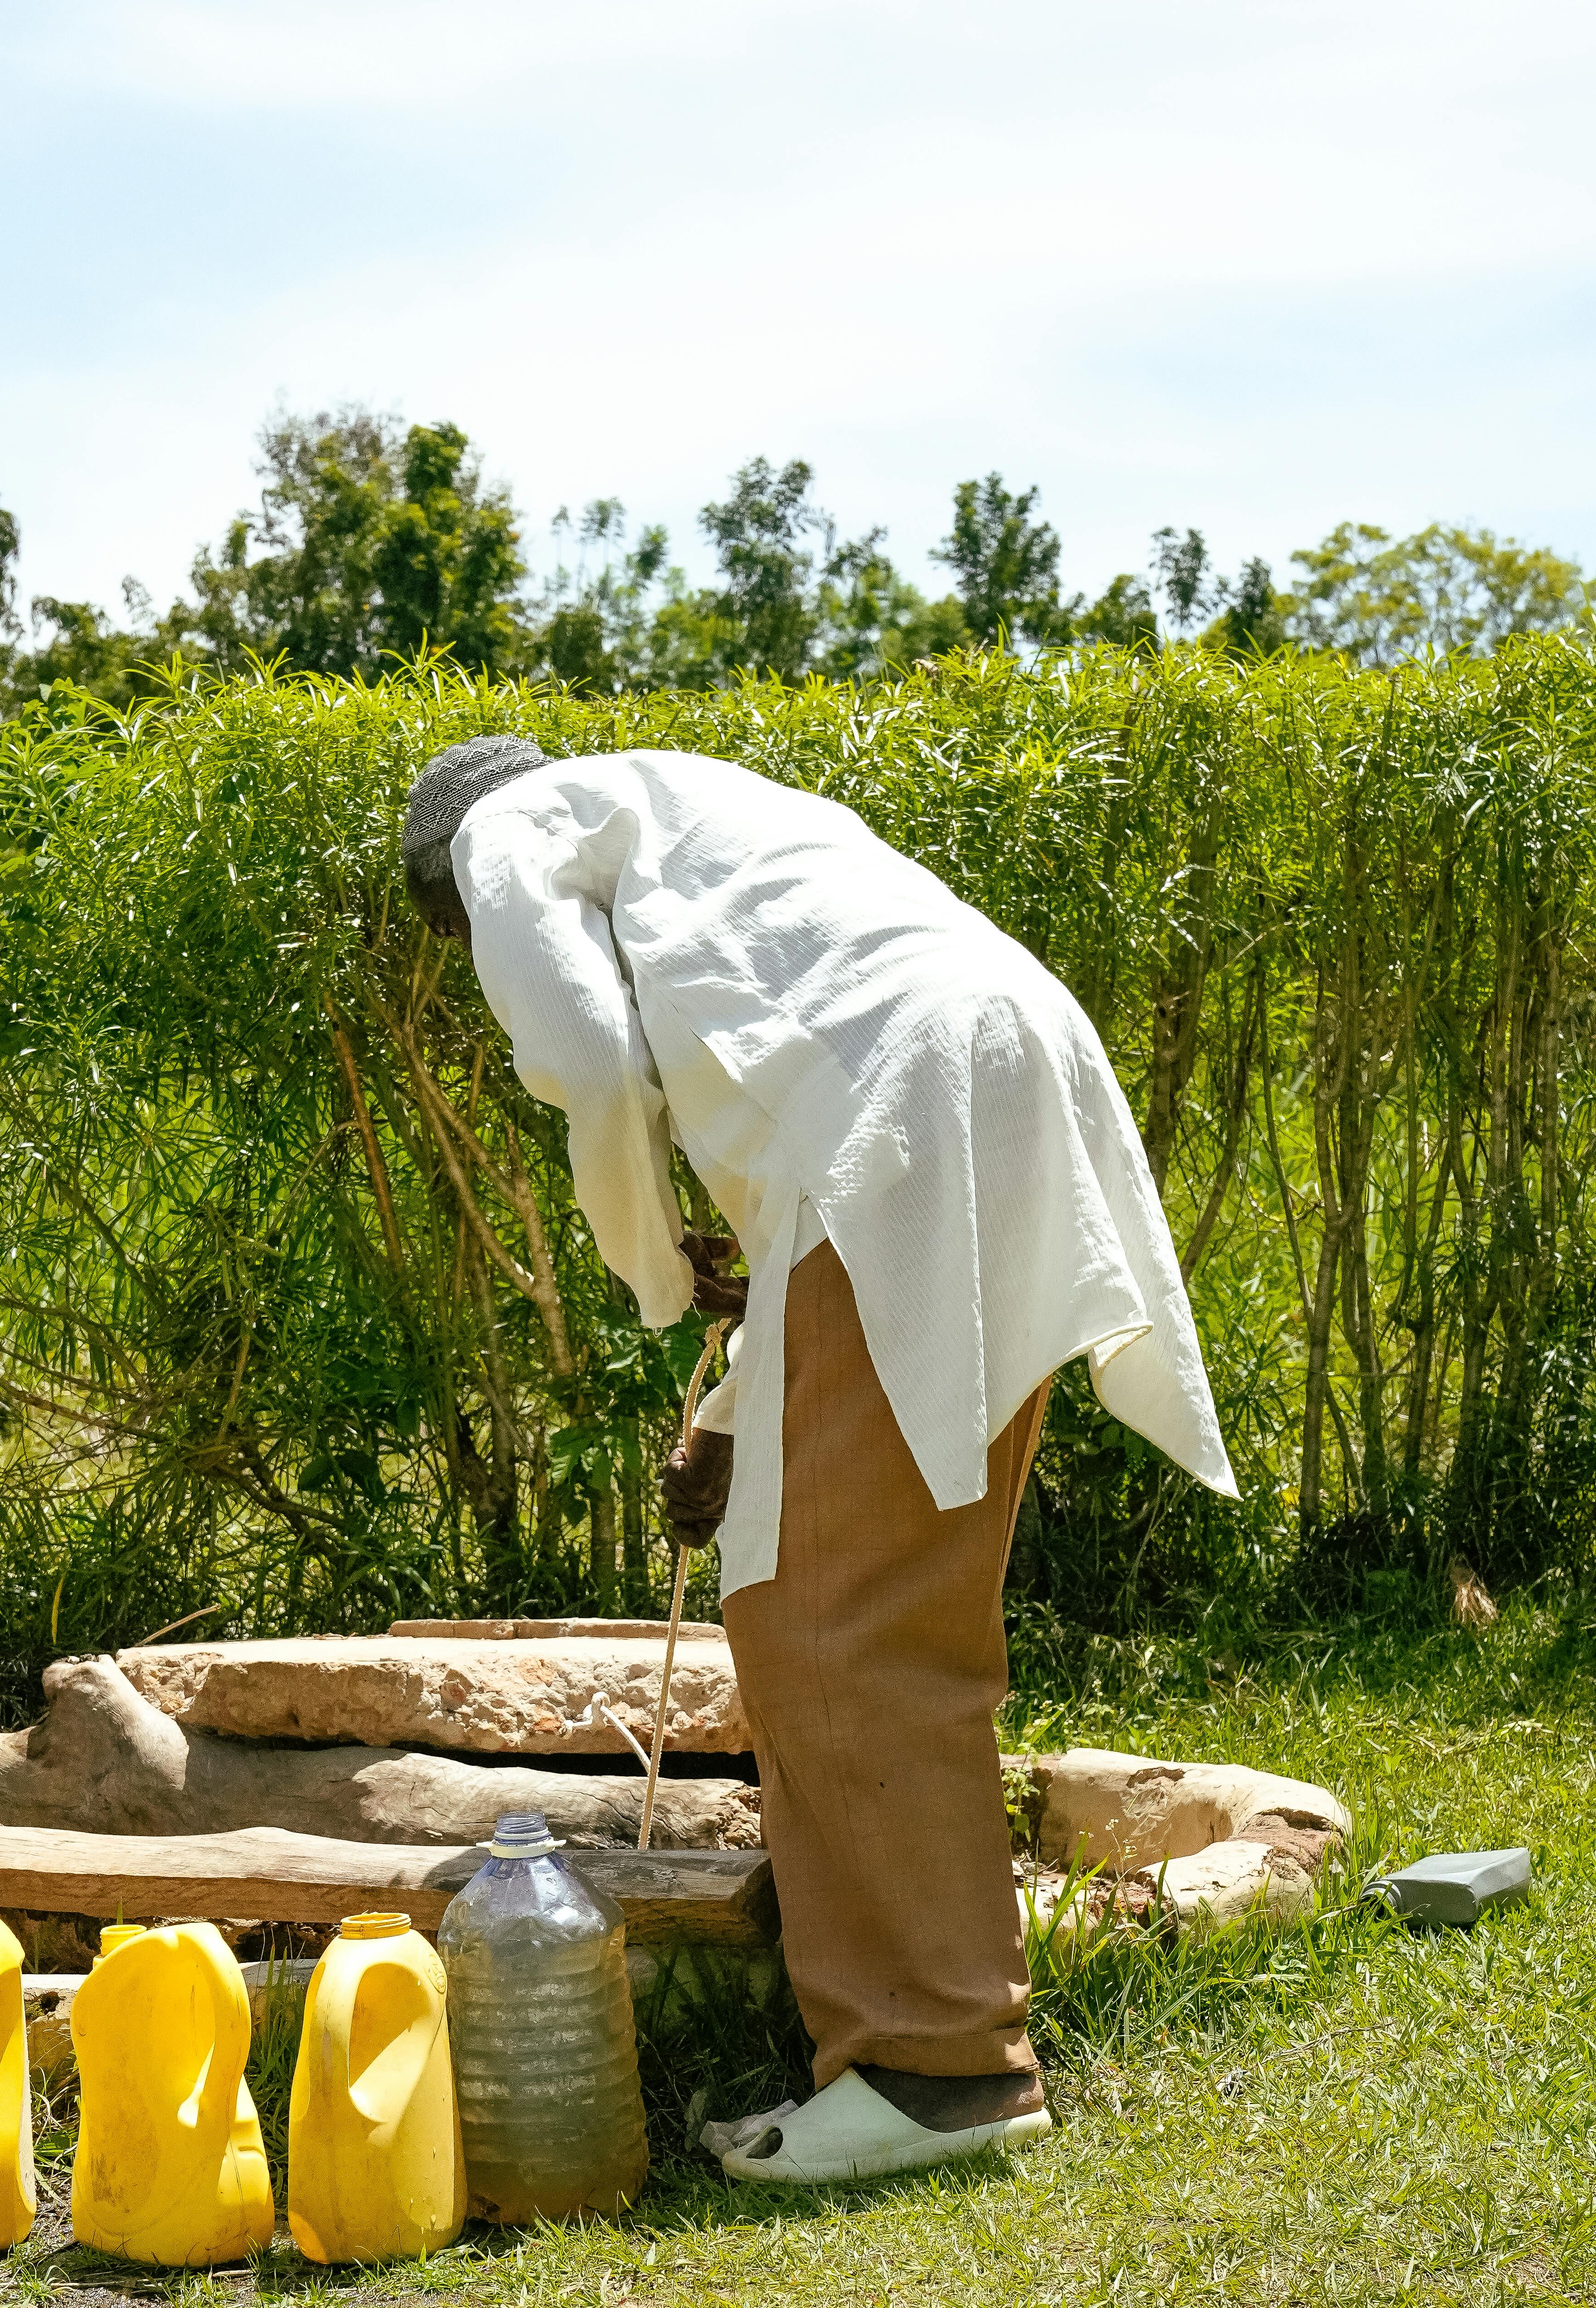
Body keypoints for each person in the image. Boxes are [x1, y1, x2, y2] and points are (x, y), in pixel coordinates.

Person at [400, 733, 1233, 2186]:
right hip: (994, 1071)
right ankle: (920, 2008)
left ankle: (934, 2069)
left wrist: (652, 1266)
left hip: (913, 1111)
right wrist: (726, 1423)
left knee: (833, 1615)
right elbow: (817, 1197)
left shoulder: (508, 829)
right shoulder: (691, 809)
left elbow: (588, 1060)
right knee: (867, 1581)